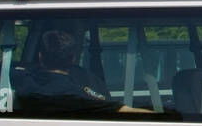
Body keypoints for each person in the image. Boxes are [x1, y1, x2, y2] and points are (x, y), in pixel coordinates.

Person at [17, 29, 149, 115]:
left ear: (40, 57)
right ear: (74, 58)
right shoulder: (76, 96)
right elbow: (122, 111)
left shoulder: (22, 81)